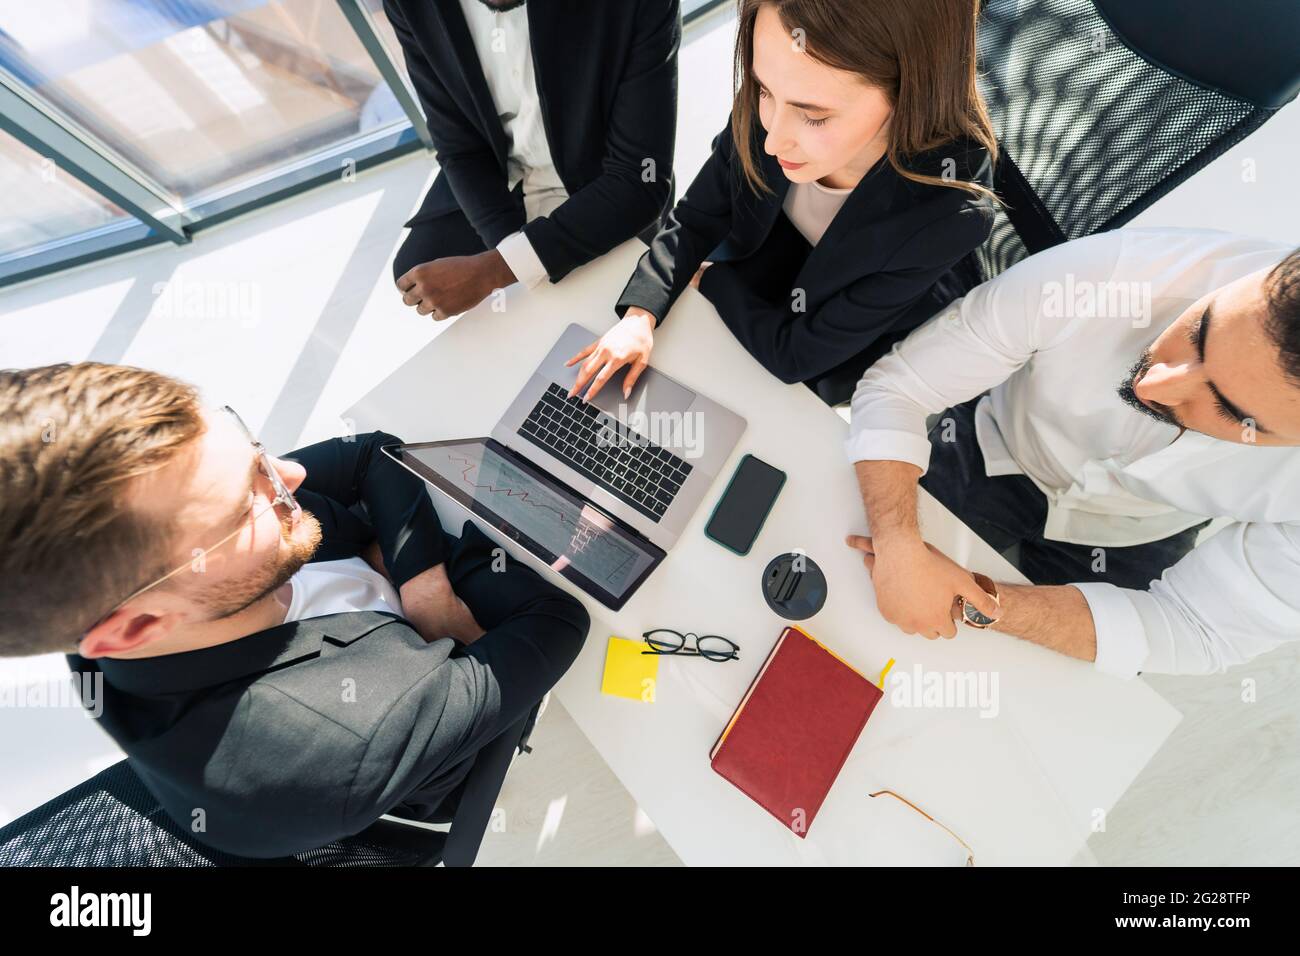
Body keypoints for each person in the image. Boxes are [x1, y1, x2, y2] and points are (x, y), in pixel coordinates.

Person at [0, 363, 590, 858]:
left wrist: (424, 591)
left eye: (252, 452)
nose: (290, 475)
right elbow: (556, 619)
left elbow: (370, 456)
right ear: (137, 627)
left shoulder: (157, 579)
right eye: (243, 504)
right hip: (429, 770)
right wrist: (397, 553)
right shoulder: (338, 743)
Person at [844, 227, 1300, 677]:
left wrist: (980, 604)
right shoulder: (1111, 272)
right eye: (1200, 331)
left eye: (1226, 407)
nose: (1153, 383)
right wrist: (898, 541)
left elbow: (1198, 629)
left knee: (1044, 708)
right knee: (844, 591)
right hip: (997, 444)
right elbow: (898, 389)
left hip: (1139, 530)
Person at [568, 0, 996, 406]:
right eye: (762, 90)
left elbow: (797, 356)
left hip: (820, 361)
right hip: (755, 281)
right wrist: (639, 316)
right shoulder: (785, 85)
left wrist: (709, 280)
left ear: (909, 92)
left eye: (814, 116)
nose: (773, 139)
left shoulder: (947, 217)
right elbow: (697, 217)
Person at [384, 0, 680, 320]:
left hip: (605, 177)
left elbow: (640, 178)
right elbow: (459, 146)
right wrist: (514, 254)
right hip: (501, 168)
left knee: (610, 317)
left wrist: (498, 269)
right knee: (415, 271)